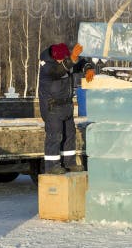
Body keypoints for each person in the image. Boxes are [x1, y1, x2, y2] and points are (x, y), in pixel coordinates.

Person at [38, 42, 95, 174]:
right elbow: (58, 71)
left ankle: (69, 163)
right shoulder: (47, 66)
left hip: (66, 107)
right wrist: (72, 59)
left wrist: (88, 68)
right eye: (62, 59)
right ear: (56, 57)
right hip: (52, 108)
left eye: (66, 58)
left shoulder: (65, 62)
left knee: (70, 135)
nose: (64, 61)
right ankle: (52, 166)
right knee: (55, 136)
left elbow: (79, 63)